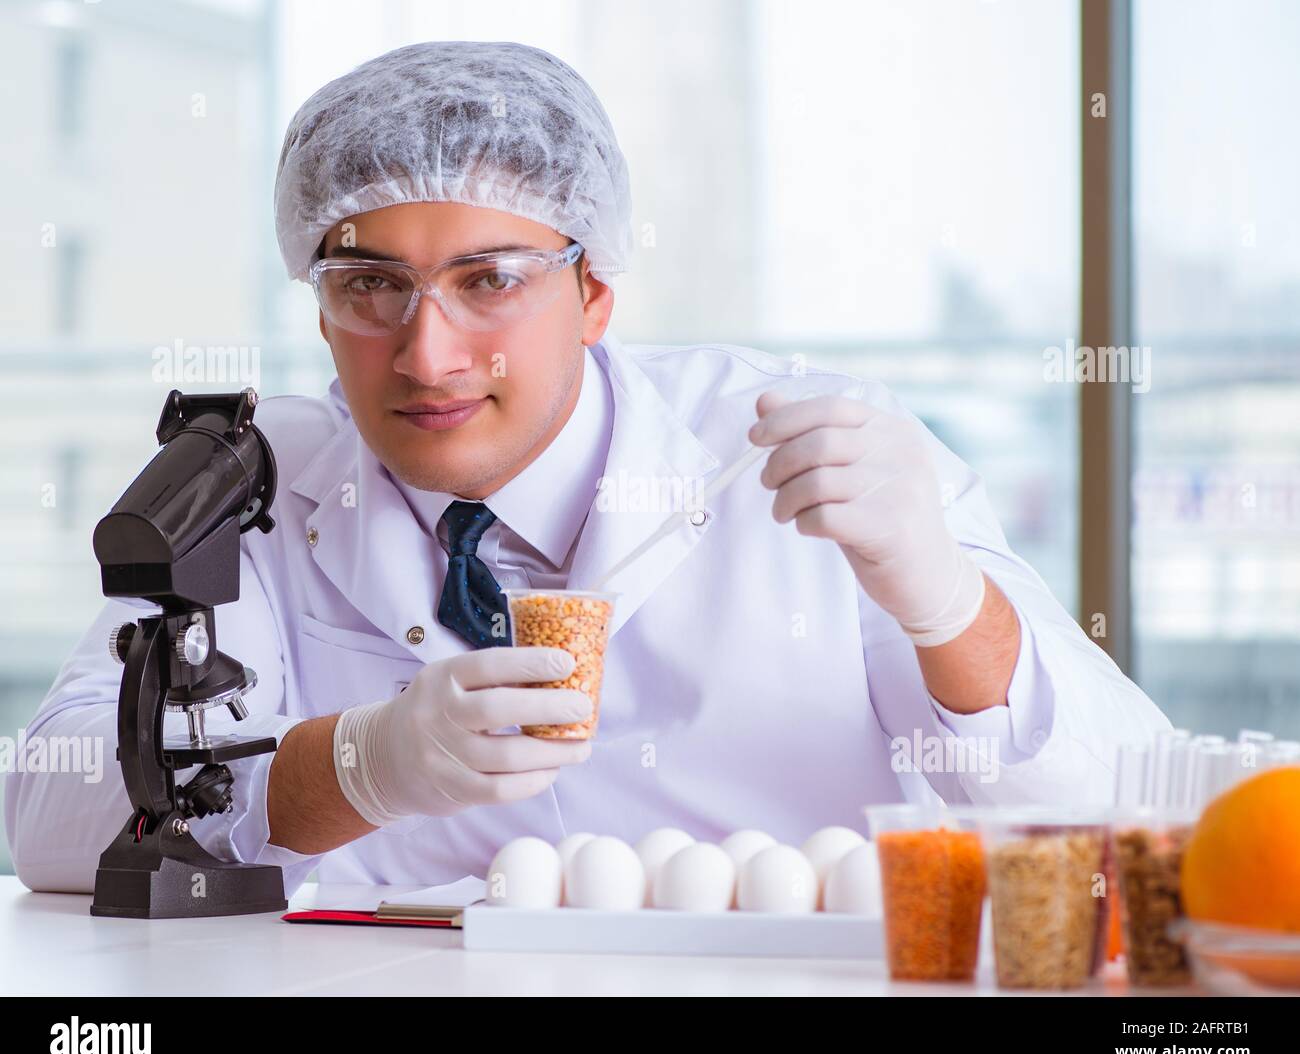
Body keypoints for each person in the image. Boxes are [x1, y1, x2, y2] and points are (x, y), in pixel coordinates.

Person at [6, 41, 1170, 897]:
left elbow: (1127, 816)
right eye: (369, 286)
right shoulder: (256, 488)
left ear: (595, 291)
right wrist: (355, 765)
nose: (426, 351)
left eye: (490, 279)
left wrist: (949, 608)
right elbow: (49, 816)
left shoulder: (803, 449)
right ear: (318, 312)